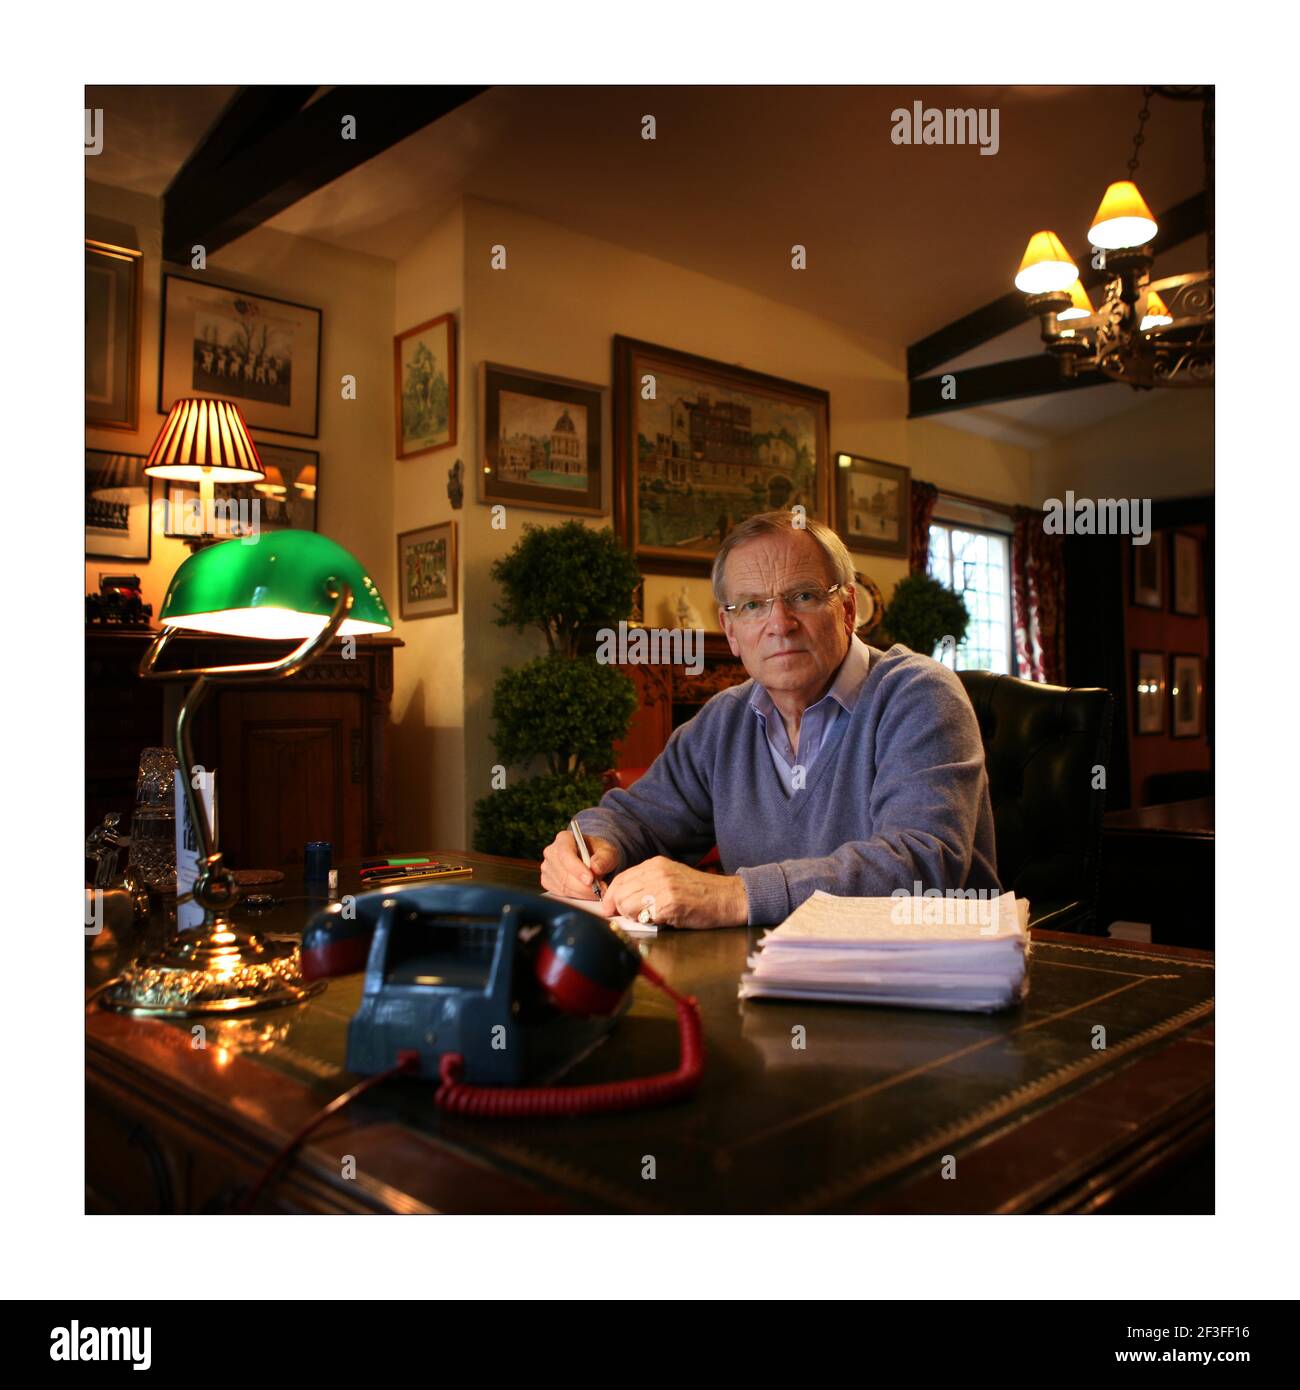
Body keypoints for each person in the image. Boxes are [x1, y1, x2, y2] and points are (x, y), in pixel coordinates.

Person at [540, 510, 999, 927]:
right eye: (752, 606)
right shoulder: (723, 721)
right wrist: (591, 849)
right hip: (771, 983)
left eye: (802, 596)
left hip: (927, 987)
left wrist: (736, 895)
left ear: (848, 609)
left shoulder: (920, 695)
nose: (779, 623)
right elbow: (635, 819)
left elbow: (922, 866)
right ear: (731, 631)